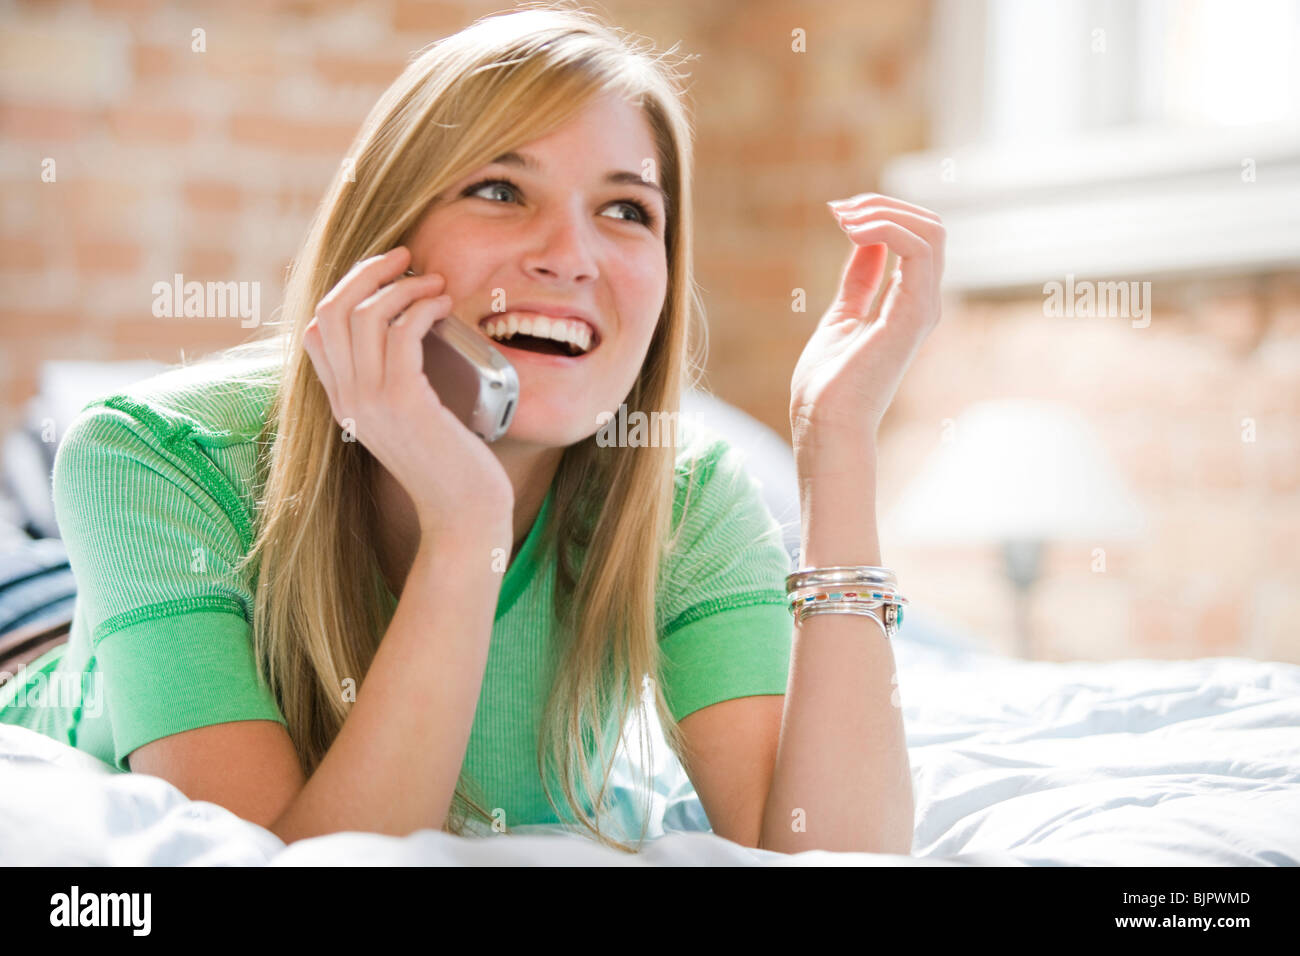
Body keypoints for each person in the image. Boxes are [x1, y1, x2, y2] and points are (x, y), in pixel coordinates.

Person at [0, 3, 944, 855]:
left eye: (626, 209)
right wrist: (466, 525)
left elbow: (831, 856)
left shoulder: (687, 490)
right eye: (501, 190)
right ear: (386, 237)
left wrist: (840, 443)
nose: (570, 257)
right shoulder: (149, 450)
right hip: (36, 621)